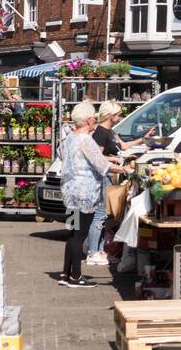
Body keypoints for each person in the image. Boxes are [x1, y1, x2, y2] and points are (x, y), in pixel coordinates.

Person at [84, 100, 156, 267]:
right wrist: (115, 159)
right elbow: (97, 157)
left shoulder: (111, 132)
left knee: (106, 213)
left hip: (113, 175)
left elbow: (123, 146)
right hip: (105, 175)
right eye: (117, 114)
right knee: (101, 213)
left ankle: (100, 250)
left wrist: (143, 139)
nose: (119, 117)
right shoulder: (100, 133)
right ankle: (92, 252)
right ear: (110, 115)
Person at [58, 102, 117, 288]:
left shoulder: (68, 139)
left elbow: (61, 155)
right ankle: (76, 276)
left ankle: (65, 273)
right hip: (84, 194)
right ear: (89, 120)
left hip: (69, 193)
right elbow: (101, 164)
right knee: (79, 234)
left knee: (73, 232)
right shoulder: (86, 140)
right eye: (93, 118)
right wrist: (125, 168)